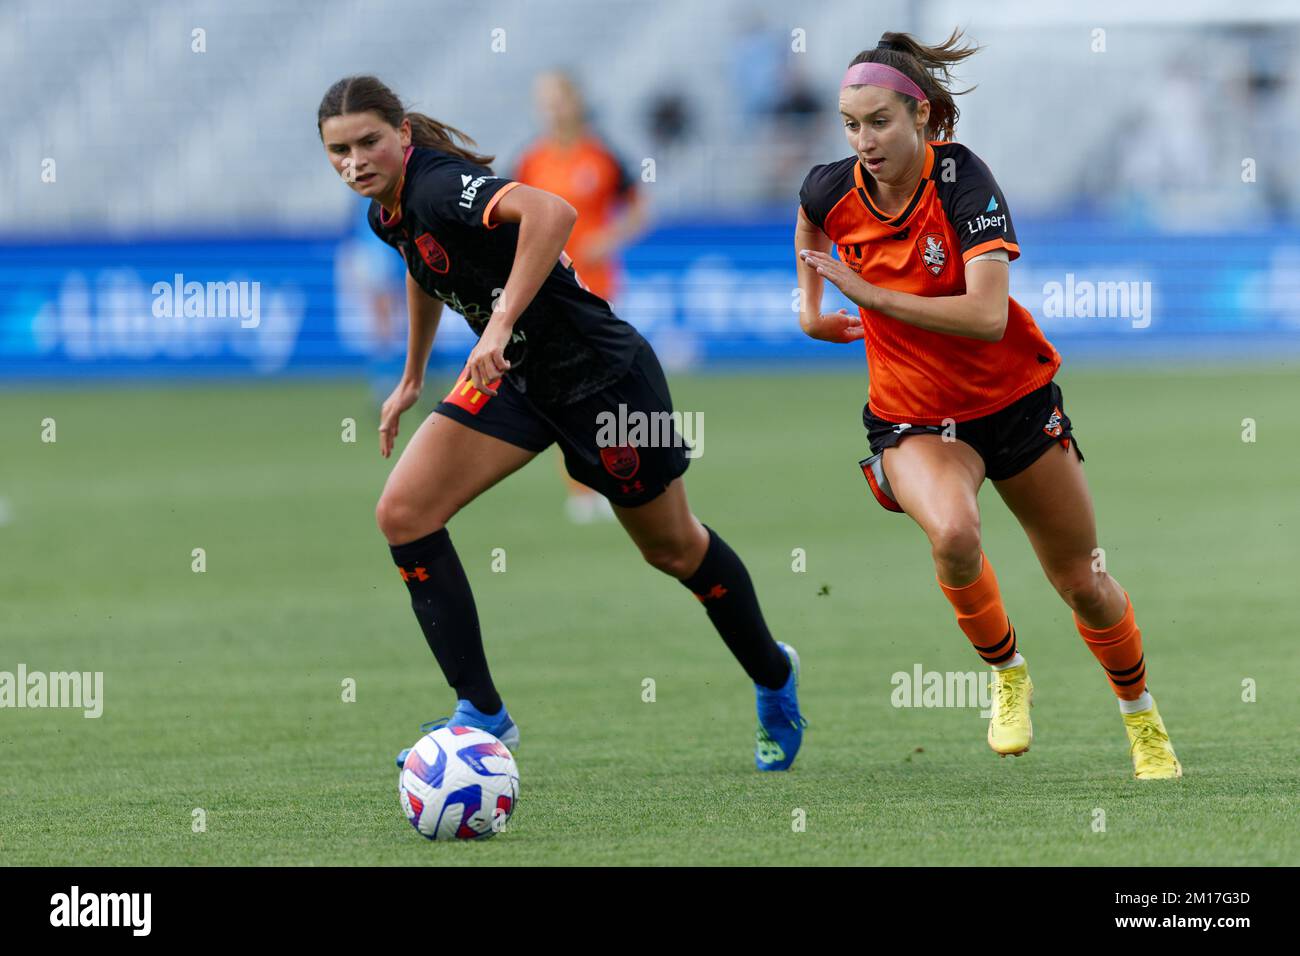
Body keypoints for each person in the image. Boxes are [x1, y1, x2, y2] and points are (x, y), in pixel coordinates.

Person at [317, 75, 805, 771]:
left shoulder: (434, 184)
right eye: (339, 150)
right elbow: (423, 269)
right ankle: (482, 711)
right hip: (516, 379)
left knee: (673, 549)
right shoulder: (388, 210)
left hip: (606, 381)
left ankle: (772, 673)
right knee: (404, 512)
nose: (355, 160)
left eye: (368, 141)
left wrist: (502, 322)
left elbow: (552, 212)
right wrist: (412, 375)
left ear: (401, 135)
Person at [795, 31, 1181, 779]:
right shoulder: (830, 186)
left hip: (1014, 403)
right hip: (912, 414)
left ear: (923, 119)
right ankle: (1007, 673)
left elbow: (986, 317)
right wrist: (811, 310)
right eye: (851, 123)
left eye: (879, 123)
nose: (863, 140)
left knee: (1083, 583)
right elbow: (811, 219)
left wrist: (870, 295)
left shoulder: (965, 185)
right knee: (953, 534)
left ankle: (1142, 720)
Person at [512, 70, 650, 523]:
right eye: (544, 100)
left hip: (598, 287)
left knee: (607, 387)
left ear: (576, 101)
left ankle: (618, 480)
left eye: (558, 98)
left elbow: (641, 207)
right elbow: (509, 214)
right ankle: (581, 486)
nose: (552, 108)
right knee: (562, 389)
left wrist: (610, 238)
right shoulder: (532, 161)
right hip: (548, 288)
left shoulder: (602, 155)